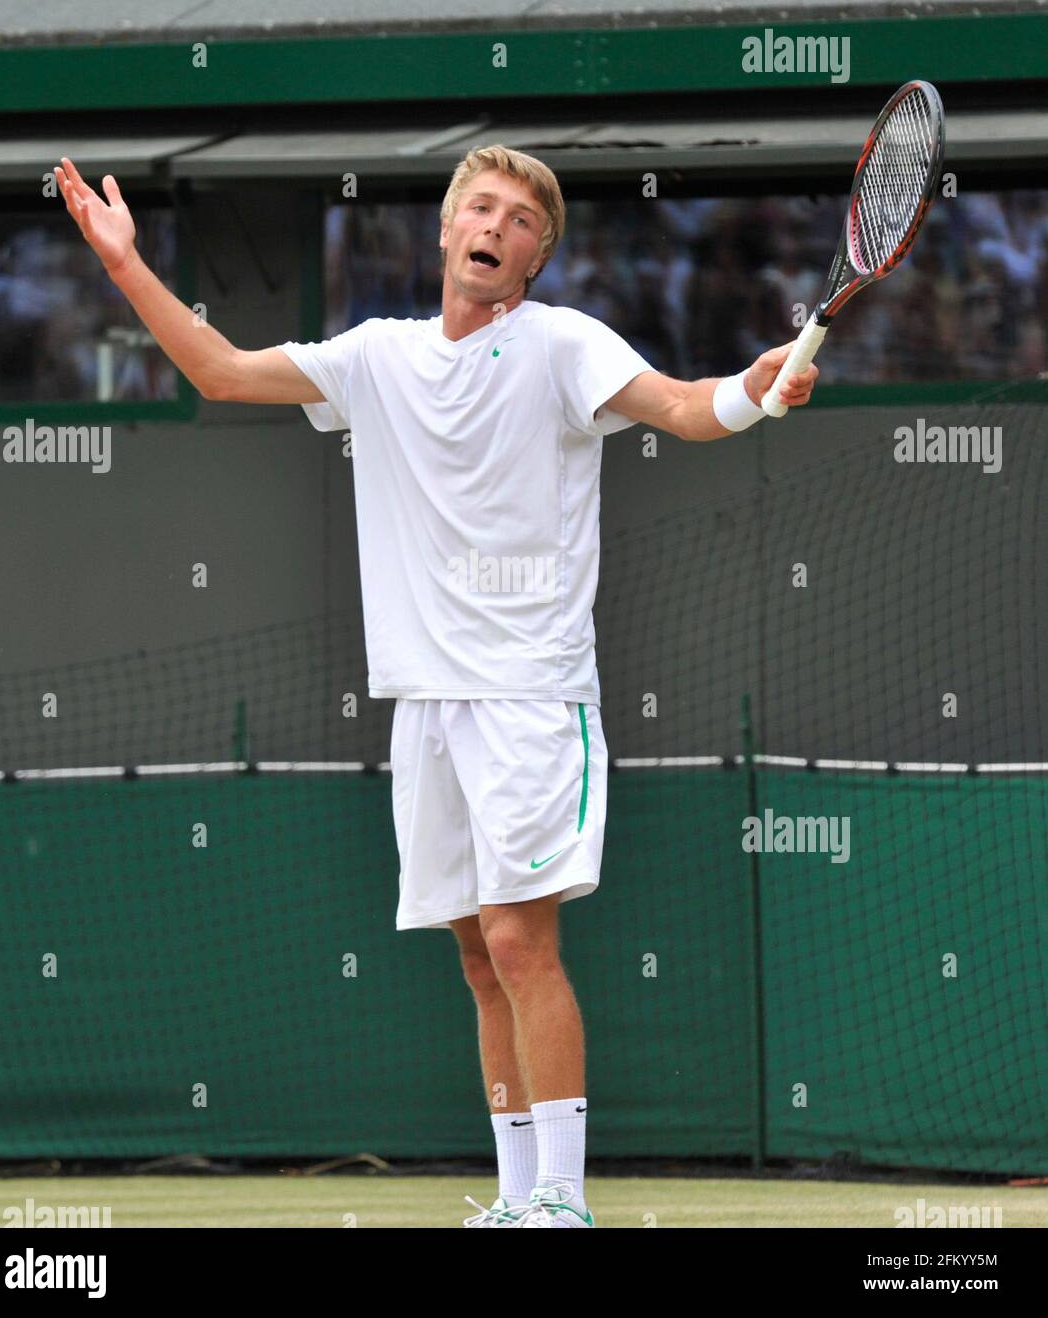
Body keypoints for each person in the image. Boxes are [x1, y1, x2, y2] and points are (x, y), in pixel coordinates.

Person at [54, 145, 818, 1230]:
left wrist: (759, 386)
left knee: (518, 938)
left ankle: (562, 1194)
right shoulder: (377, 357)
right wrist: (125, 263)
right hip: (425, 699)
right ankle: (515, 1197)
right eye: (479, 205)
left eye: (517, 218)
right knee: (474, 949)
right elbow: (220, 370)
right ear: (449, 226)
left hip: (529, 695)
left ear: (536, 254)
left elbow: (689, 406)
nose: (494, 225)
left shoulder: (562, 343)